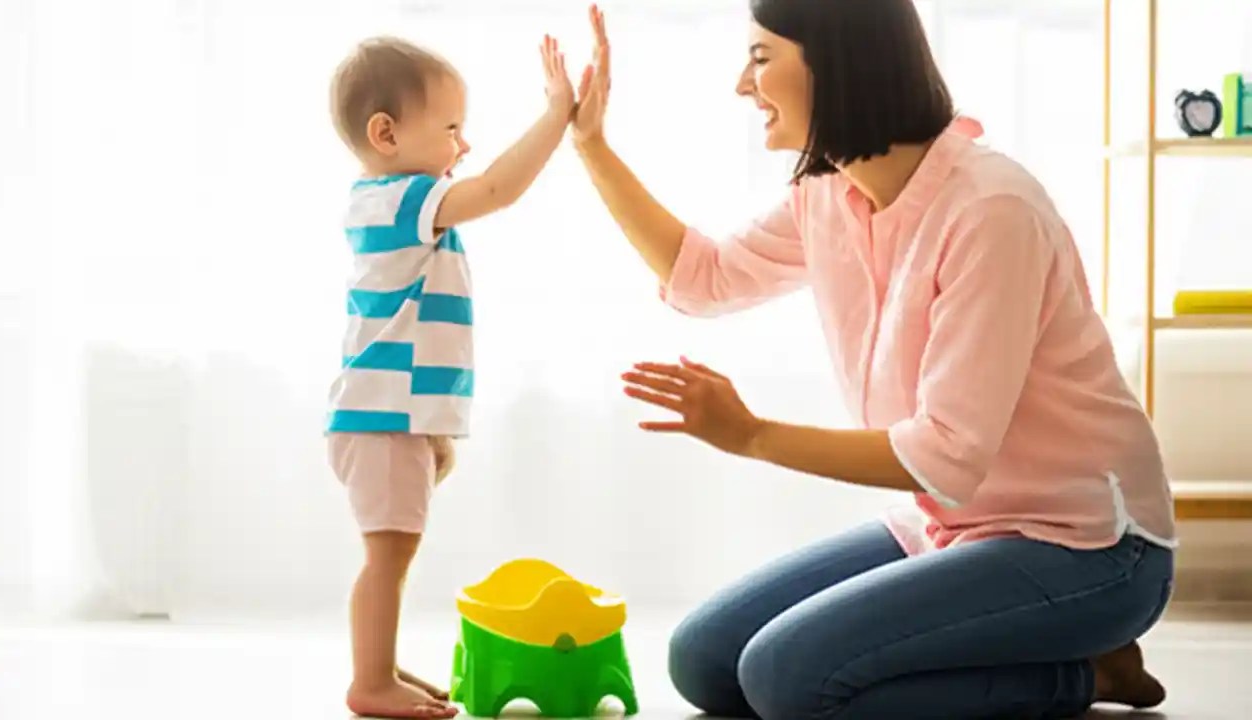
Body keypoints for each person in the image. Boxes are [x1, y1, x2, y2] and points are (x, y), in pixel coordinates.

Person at [570, 1, 1177, 718]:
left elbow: (946, 455)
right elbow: (704, 279)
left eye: (761, 57)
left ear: (838, 60)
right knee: (704, 660)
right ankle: (1031, 649)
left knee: (783, 679)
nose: (742, 83)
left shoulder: (991, 210)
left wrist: (752, 435)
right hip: (956, 528)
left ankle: (1087, 675)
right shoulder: (829, 195)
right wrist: (593, 148)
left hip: (1092, 550)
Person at [325, 35, 576, 718]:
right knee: (389, 557)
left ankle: (379, 666)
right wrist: (557, 114)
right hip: (380, 419)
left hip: (387, 416)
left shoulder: (390, 204)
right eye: (452, 129)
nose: (463, 147)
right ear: (386, 133)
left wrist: (433, 431)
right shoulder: (404, 198)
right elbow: (497, 189)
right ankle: (369, 682)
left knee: (393, 554)